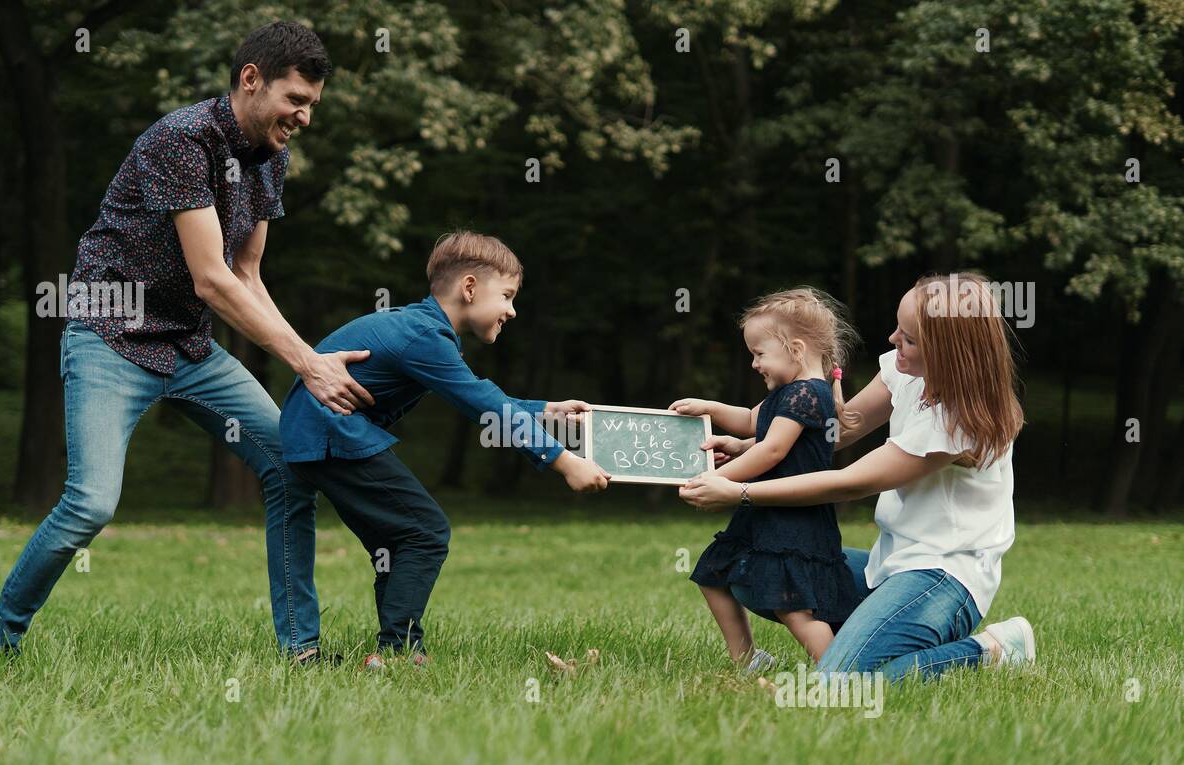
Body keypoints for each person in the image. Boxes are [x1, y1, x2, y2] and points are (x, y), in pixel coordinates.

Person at [0, 22, 370, 662]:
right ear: (251, 80)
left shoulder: (272, 159)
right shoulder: (181, 139)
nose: (303, 117)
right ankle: (0, 640)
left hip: (188, 348)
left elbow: (248, 274)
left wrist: (311, 364)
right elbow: (212, 279)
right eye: (295, 100)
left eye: (311, 105)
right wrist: (307, 363)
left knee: (291, 467)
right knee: (90, 504)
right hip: (111, 337)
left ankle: (300, 648)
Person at [679, 273, 1035, 681]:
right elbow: (837, 430)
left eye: (909, 338)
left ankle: (991, 649)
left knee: (841, 682)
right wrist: (753, 447)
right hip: (889, 564)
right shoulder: (905, 373)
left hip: (944, 577)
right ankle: (892, 636)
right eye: (898, 328)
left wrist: (741, 491)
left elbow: (851, 481)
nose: (892, 339)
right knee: (756, 564)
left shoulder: (956, 424)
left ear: (950, 354)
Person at [280, 231, 611, 668]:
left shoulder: (422, 330)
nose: (512, 310)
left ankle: (399, 651)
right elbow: (481, 402)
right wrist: (564, 461)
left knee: (402, 540)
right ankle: (398, 650)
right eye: (508, 296)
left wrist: (545, 410)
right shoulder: (423, 336)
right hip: (332, 434)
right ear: (469, 288)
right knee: (425, 532)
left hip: (317, 436)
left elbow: (476, 393)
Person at [670, 289, 862, 670]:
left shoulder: (807, 394)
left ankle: (838, 670)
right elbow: (750, 421)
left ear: (795, 348)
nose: (755, 364)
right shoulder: (789, 392)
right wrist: (714, 414)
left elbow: (773, 450)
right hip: (762, 509)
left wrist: (715, 478)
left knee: (794, 607)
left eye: (759, 354)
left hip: (793, 518)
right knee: (713, 574)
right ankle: (747, 659)